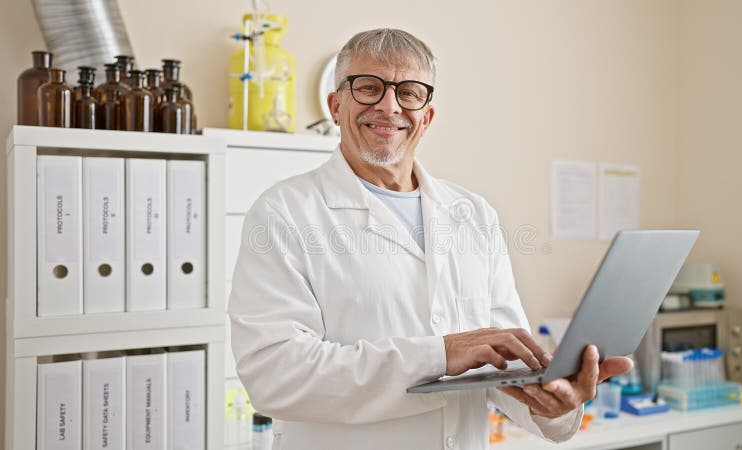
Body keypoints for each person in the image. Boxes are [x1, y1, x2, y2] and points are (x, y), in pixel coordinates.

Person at [229, 28, 632, 450]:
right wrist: (439, 354)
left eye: (409, 92)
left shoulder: (473, 214)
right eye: (368, 88)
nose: (389, 106)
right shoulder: (283, 213)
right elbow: (274, 376)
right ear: (335, 105)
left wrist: (552, 404)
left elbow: (505, 359)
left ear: (427, 116)